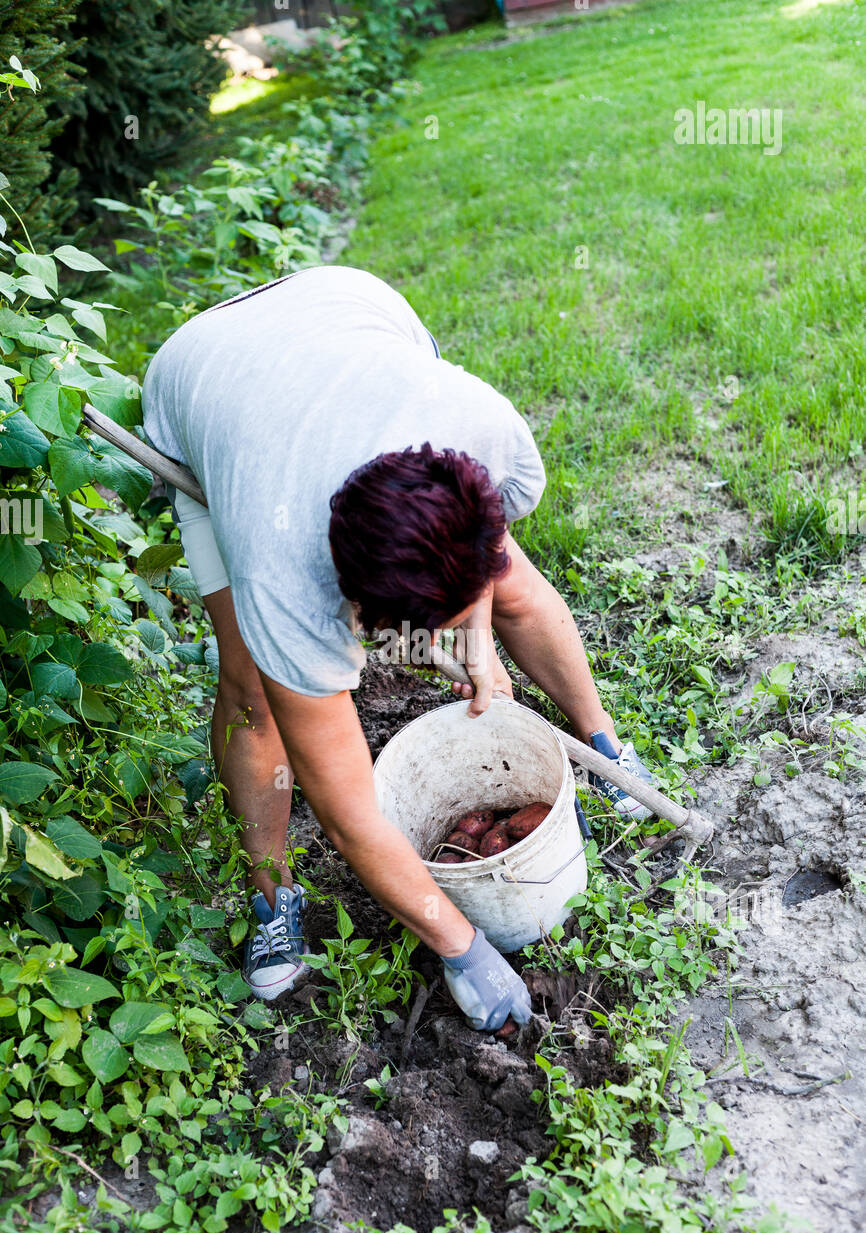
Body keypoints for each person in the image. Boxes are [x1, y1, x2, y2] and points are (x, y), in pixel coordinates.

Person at [142, 265, 652, 1032]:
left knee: (511, 582)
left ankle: (608, 748)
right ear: (355, 604)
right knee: (253, 693)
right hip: (208, 378)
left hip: (346, 306)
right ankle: (272, 892)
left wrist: (478, 631)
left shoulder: (486, 431)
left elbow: (481, 557)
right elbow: (350, 812)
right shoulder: (284, 573)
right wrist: (464, 948)